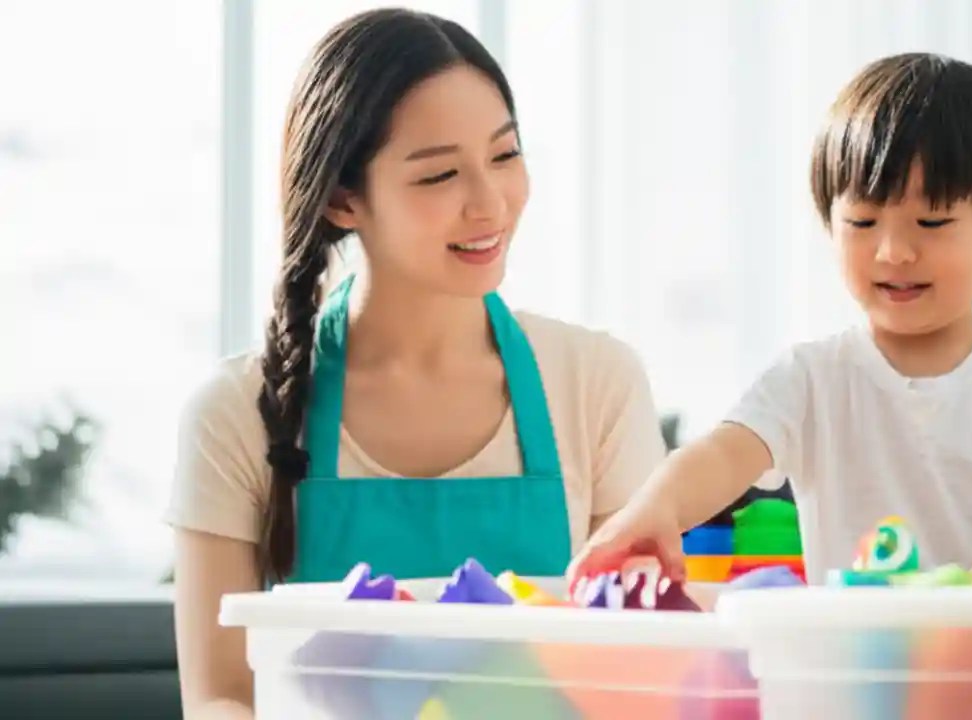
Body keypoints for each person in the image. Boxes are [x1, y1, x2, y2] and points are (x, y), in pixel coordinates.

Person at [166, 9, 665, 718]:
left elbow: (633, 675)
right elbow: (220, 697)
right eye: (439, 176)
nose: (490, 203)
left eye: (504, 155)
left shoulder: (597, 383)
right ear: (344, 198)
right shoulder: (234, 412)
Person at [569, 53, 972, 587]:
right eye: (862, 220)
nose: (893, 252)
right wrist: (654, 508)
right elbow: (725, 452)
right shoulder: (810, 376)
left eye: (931, 221)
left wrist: (961, 602)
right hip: (850, 656)